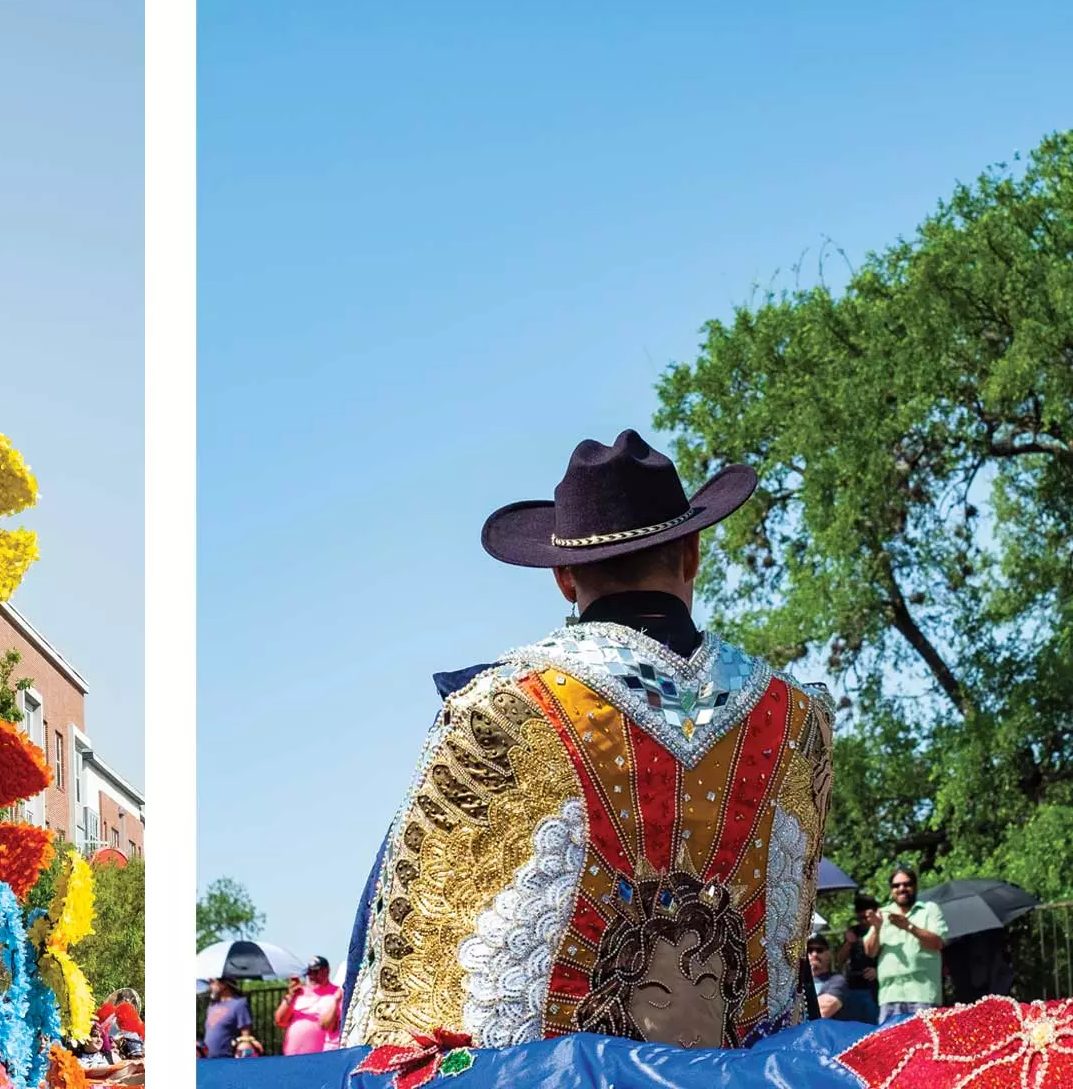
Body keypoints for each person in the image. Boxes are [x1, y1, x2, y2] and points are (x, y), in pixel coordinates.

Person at [340, 430, 834, 1051]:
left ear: (564, 579)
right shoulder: (798, 720)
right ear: (693, 555)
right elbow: (789, 972)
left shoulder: (504, 714)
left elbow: (406, 984)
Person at [863, 865, 949, 1022]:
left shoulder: (929, 910)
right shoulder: (883, 914)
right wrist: (876, 928)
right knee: (889, 1046)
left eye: (907, 884)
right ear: (891, 890)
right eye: (896, 885)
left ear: (915, 886)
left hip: (923, 994)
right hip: (889, 997)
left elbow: (938, 943)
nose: (902, 888)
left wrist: (909, 926)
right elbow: (870, 952)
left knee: (925, 1044)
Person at [274, 956, 341, 1054]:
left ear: (327, 971)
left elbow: (330, 1026)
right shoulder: (298, 992)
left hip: (320, 1056)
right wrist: (290, 996)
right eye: (309, 973)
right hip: (292, 1055)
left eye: (316, 972)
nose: (312, 976)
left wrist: (335, 1002)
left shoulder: (337, 993)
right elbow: (280, 1020)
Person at [837, 895, 881, 1023]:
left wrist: (878, 971)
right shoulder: (854, 931)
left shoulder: (883, 929)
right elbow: (840, 959)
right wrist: (849, 943)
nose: (863, 921)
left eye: (866, 917)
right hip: (854, 987)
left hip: (875, 989)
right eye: (859, 918)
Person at [202, 977, 254, 1058]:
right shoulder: (212, 1006)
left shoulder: (239, 1004)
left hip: (228, 1059)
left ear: (224, 984)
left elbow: (246, 1036)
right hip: (208, 1059)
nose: (210, 985)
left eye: (212, 982)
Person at [808, 936, 850, 1019]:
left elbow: (821, 1012)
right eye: (809, 950)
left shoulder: (837, 981)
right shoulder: (795, 983)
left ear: (828, 954)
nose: (814, 954)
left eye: (819, 950)